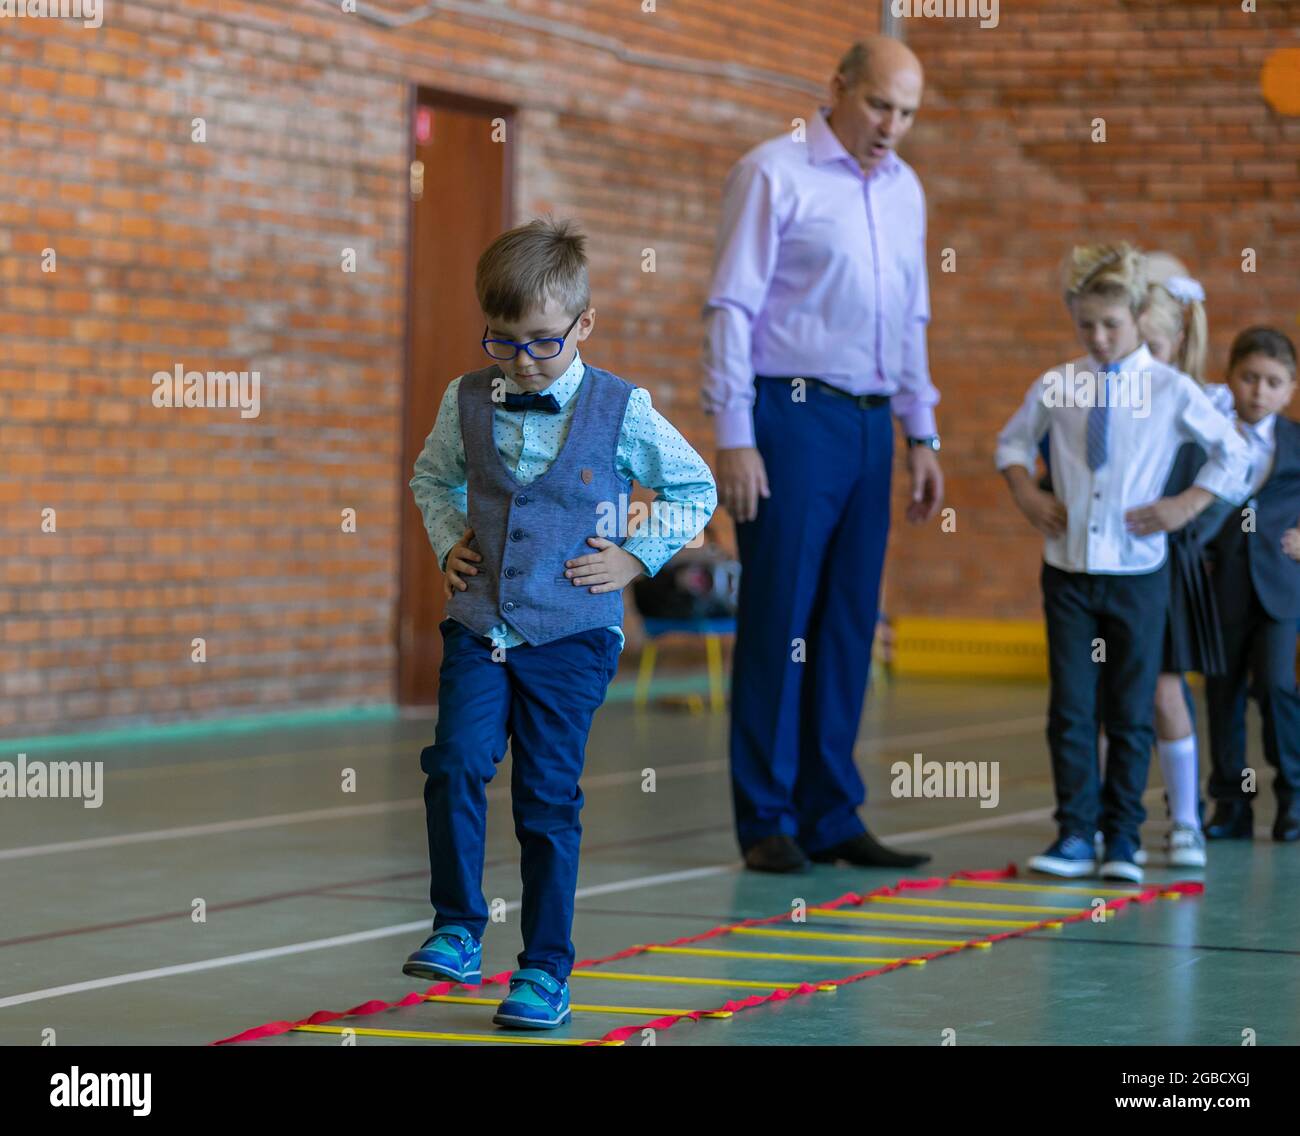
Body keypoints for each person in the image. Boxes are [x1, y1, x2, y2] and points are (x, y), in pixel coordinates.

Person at [404, 218, 716, 1028]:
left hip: (572, 635)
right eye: (501, 342)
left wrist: (635, 560)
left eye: (541, 342)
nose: (520, 360)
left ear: (583, 325)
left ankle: (544, 969)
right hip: (479, 623)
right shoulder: (466, 397)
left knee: (545, 798)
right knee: (456, 762)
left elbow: (693, 489)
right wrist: (449, 545)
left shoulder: (623, 407)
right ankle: (458, 927)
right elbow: (432, 478)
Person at [702, 36, 943, 874]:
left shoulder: (907, 190)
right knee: (781, 613)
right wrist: (734, 432)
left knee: (848, 620)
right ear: (837, 88)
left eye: (908, 113)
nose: (892, 126)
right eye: (881, 105)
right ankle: (766, 816)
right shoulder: (775, 172)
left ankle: (832, 812)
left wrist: (922, 430)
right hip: (790, 415)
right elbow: (730, 307)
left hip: (873, 423)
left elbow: (911, 320)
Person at [995, 242, 1251, 882]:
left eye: (1112, 325)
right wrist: (1028, 492)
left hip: (1139, 574)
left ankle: (1124, 840)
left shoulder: (1171, 389)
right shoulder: (1060, 383)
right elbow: (1012, 441)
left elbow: (1236, 454)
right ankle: (1075, 835)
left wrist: (1186, 505)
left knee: (1131, 708)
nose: (1100, 337)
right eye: (1087, 325)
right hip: (1069, 572)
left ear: (1139, 317)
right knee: (1072, 709)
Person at [1201, 327, 1300, 843]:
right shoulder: (1207, 433)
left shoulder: (1298, 443)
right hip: (1224, 585)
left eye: (1272, 381)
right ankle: (1232, 806)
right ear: (1230, 377)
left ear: (1290, 389)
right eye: (1249, 378)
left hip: (1282, 587)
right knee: (1223, 692)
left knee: (1278, 684)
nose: (1258, 391)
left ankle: (1294, 799)